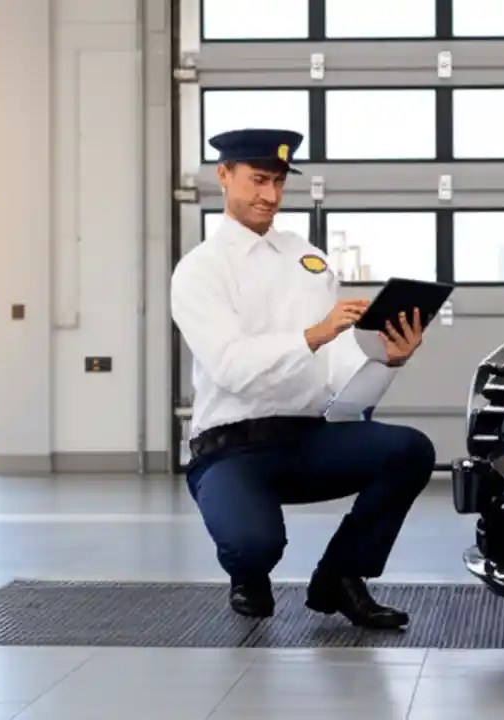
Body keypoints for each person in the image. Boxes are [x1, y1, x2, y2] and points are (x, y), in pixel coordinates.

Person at [170, 127, 437, 630]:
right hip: (229, 450)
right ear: (223, 176)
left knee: (409, 450)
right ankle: (248, 571)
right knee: (256, 544)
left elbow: (341, 385)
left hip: (305, 439)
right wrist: (312, 335)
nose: (270, 196)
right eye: (257, 180)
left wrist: (386, 360)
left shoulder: (305, 260)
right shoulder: (199, 270)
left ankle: (341, 576)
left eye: (277, 182)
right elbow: (230, 367)